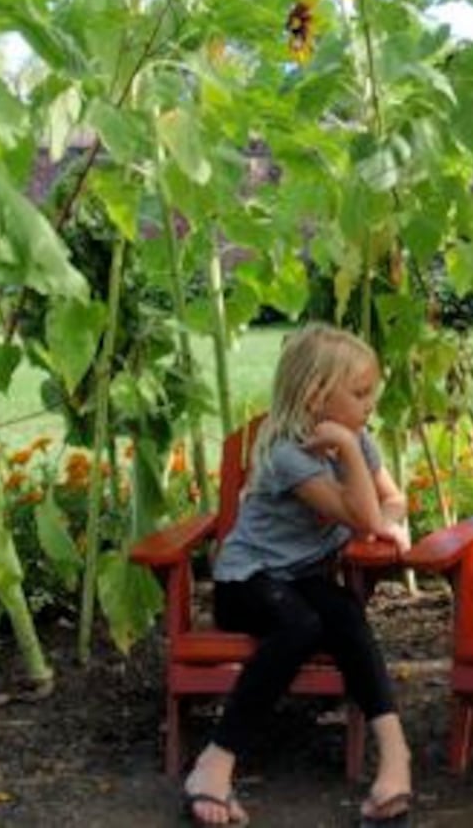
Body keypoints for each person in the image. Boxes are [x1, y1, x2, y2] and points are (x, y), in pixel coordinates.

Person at [183, 323, 413, 826]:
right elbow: (363, 517)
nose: (370, 403)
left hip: (299, 579)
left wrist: (391, 519)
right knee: (301, 626)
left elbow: (392, 500)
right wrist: (350, 455)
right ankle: (213, 764)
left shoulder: (359, 439)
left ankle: (397, 758)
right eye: (359, 393)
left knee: (345, 614)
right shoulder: (288, 454)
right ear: (315, 396)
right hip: (246, 583)